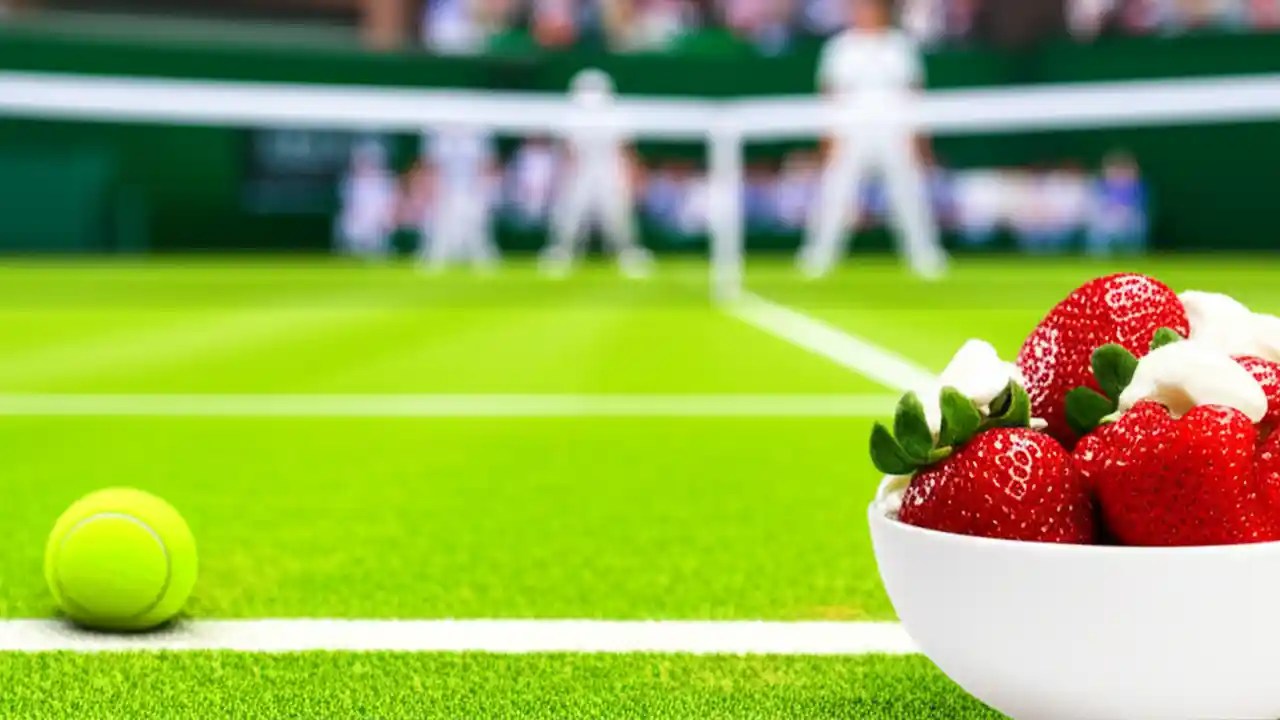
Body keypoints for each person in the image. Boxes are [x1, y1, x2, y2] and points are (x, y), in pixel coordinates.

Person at [799, 0, 949, 279]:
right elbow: (829, 95)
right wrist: (829, 140)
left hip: (895, 131)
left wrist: (916, 139)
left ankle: (924, 256)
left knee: (909, 193)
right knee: (835, 192)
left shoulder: (900, 46)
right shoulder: (839, 47)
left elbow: (914, 93)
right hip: (850, 132)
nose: (865, 13)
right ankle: (819, 257)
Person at [540, 69, 655, 279]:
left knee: (618, 215)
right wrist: (563, 178)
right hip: (581, 170)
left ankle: (628, 254)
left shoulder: (618, 114)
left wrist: (633, 176)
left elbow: (626, 149)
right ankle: (562, 253)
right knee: (570, 214)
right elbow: (568, 151)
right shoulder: (569, 115)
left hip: (610, 168)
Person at [421, 125, 501, 272]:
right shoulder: (435, 129)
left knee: (477, 237)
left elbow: (488, 163)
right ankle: (434, 267)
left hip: (473, 192)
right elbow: (431, 165)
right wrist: (436, 192)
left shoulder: (481, 129)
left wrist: (480, 193)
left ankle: (485, 268)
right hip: (444, 193)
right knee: (440, 239)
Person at [335, 141, 398, 260]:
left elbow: (389, 207)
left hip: (376, 230)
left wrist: (386, 222)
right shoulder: (351, 182)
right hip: (354, 229)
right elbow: (349, 206)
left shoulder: (386, 182)